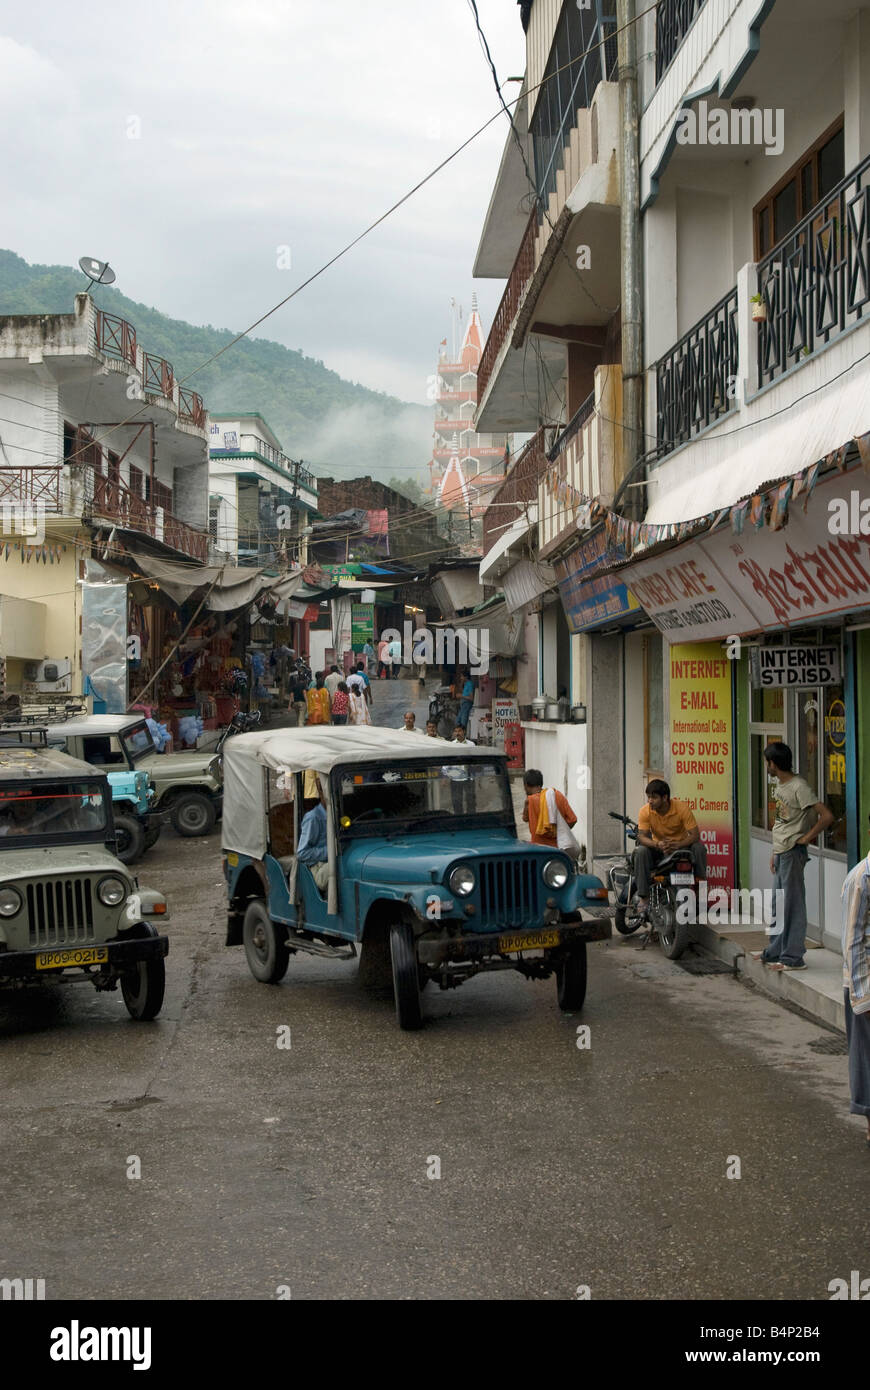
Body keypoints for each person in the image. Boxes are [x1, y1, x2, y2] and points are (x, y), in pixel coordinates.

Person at [755, 742, 833, 971]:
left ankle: (793, 957)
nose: (766, 766)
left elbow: (826, 816)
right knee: (779, 904)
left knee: (792, 905)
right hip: (782, 852)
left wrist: (807, 838)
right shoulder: (781, 786)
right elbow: (782, 823)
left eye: (767, 762)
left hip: (792, 852)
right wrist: (774, 852)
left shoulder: (800, 787)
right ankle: (775, 950)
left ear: (774, 763)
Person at [634, 779, 707, 918]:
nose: (650, 801)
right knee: (641, 851)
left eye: (654, 797)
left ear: (665, 797)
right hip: (658, 848)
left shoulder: (682, 808)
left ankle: (699, 888)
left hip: (680, 847)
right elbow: (642, 837)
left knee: (699, 847)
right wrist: (657, 844)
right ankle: (644, 897)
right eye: (648, 797)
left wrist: (678, 845)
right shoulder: (645, 811)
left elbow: (695, 835)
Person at [842, 814, 870, 1145]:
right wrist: (863, 998)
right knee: (864, 1053)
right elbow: (852, 941)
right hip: (864, 978)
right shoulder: (861, 878)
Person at [522, 769, 577, 849]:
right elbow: (573, 819)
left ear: (526, 785)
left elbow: (525, 818)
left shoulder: (529, 801)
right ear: (541, 783)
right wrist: (560, 831)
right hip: (559, 849)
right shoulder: (557, 795)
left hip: (538, 849)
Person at [294, 778, 330, 893]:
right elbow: (302, 853)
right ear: (321, 793)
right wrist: (331, 852)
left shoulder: (339, 813)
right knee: (343, 866)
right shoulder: (313, 818)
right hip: (319, 867)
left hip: (336, 860)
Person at [445, 724, 475, 813]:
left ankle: (471, 818)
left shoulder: (471, 744)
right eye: (456, 731)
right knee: (457, 801)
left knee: (471, 800)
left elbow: (475, 760)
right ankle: (459, 818)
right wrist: (446, 776)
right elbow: (447, 761)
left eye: (459, 731)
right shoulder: (451, 745)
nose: (457, 733)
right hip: (455, 778)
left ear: (464, 731)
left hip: (469, 777)